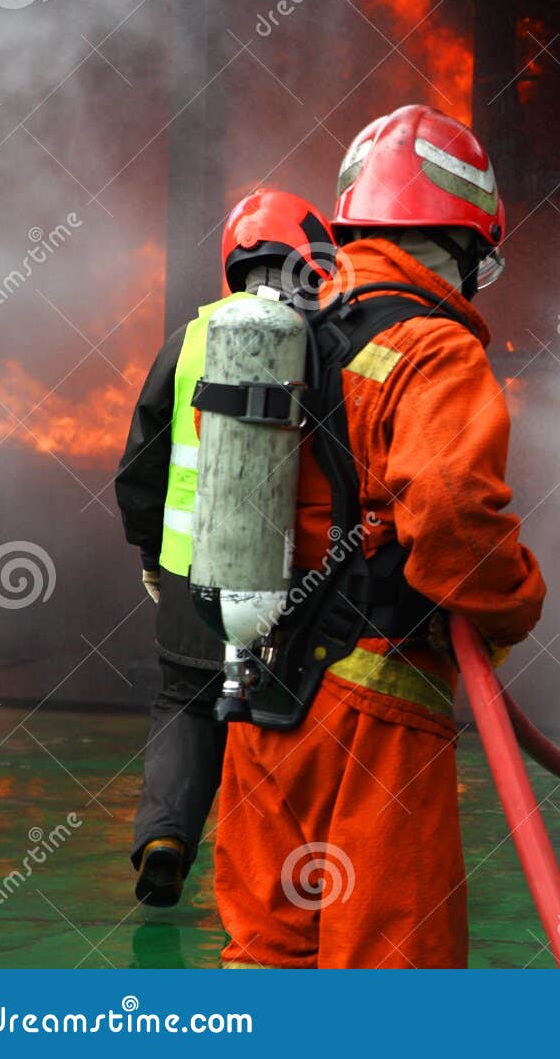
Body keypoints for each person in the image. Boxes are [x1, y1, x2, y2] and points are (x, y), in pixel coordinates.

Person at [214, 105, 545, 969]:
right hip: (373, 708)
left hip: (258, 698)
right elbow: (451, 515)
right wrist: (514, 605)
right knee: (392, 964)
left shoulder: (289, 327)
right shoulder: (431, 346)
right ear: (469, 243)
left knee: (268, 954)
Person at [115, 188, 336, 908]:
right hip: (295, 581)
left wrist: (153, 553)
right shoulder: (327, 342)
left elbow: (140, 468)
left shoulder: (186, 341)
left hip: (190, 575)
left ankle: (166, 837)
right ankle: (283, 888)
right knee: (281, 718)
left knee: (185, 701)